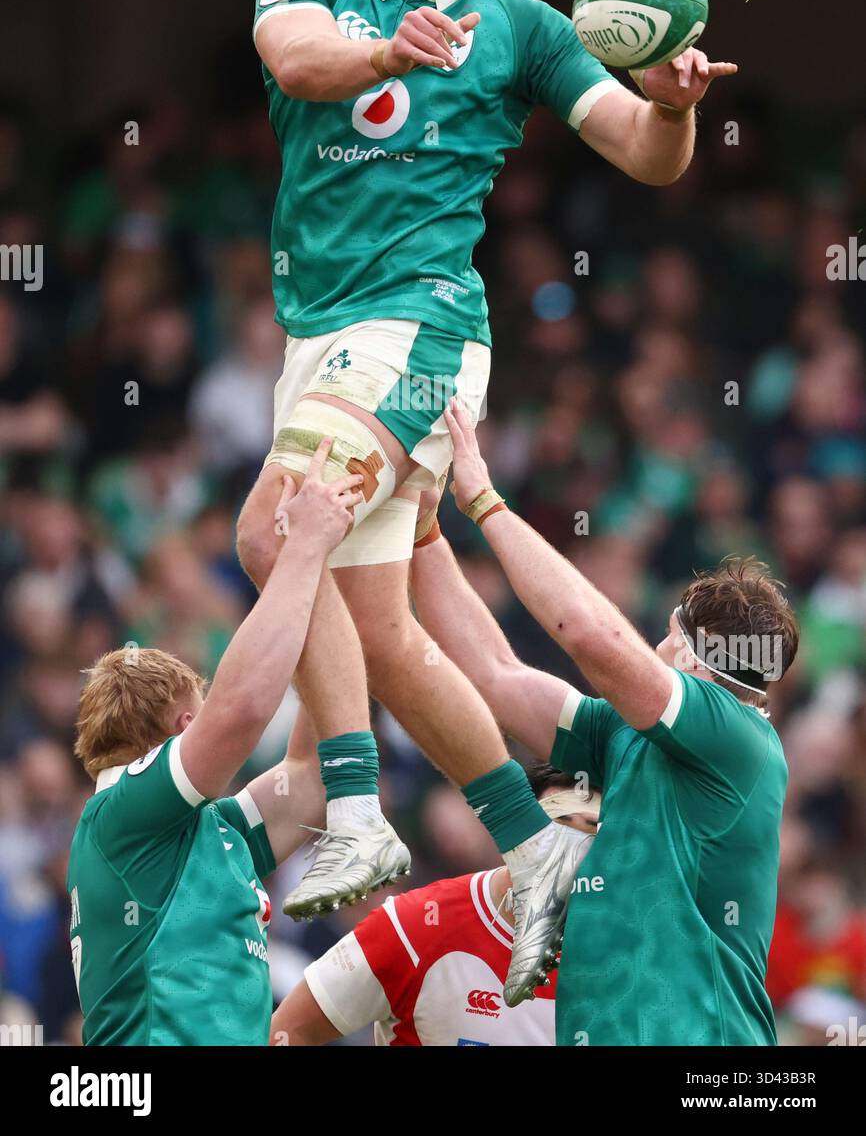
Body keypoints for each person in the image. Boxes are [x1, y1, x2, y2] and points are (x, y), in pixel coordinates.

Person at [236, 0, 737, 994]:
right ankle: (532, 849)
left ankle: (352, 808)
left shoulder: (519, 24)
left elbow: (636, 145)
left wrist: (673, 102)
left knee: (270, 530)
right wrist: (386, 51)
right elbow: (294, 58)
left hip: (420, 329)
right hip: (319, 339)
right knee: (387, 624)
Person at [407, 397, 796, 1043]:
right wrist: (426, 535)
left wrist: (483, 500)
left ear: (696, 658)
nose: (653, 643)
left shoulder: (738, 736)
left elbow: (590, 635)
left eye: (668, 634)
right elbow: (494, 675)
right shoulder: (628, 734)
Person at [67, 443, 372, 1046]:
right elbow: (243, 712)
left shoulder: (208, 832)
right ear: (182, 728)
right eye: (200, 720)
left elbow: (312, 774)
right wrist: (301, 550)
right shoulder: (122, 814)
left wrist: (328, 582)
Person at [270, 767, 600, 1047]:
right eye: (557, 823)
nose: (570, 846)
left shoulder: (635, 958)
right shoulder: (413, 924)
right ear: (517, 831)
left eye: (590, 830)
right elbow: (286, 1033)